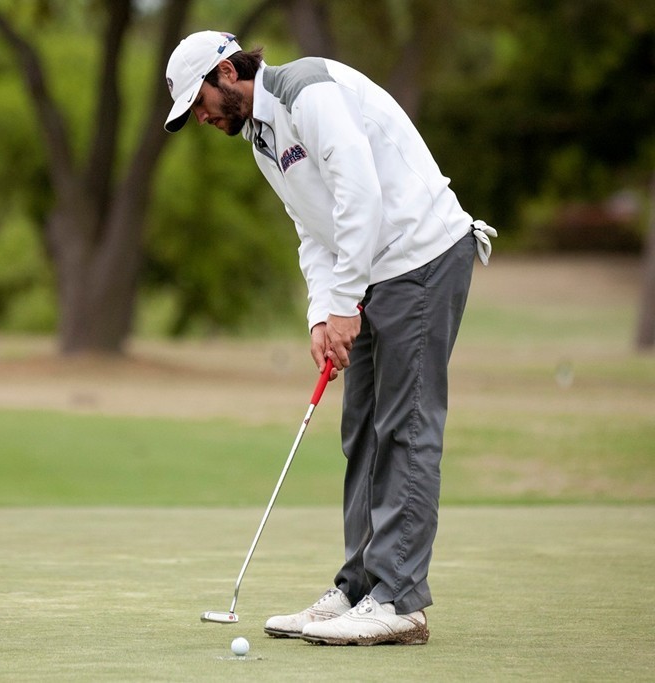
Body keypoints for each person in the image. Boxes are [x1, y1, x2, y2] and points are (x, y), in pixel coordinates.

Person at [164, 31, 496, 646]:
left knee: (407, 425)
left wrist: (345, 302)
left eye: (200, 101)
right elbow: (313, 230)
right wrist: (324, 314)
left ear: (227, 73)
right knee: (362, 429)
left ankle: (398, 599)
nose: (202, 117)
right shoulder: (263, 141)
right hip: (372, 273)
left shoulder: (306, 92)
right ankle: (359, 586)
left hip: (420, 256)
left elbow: (361, 195)